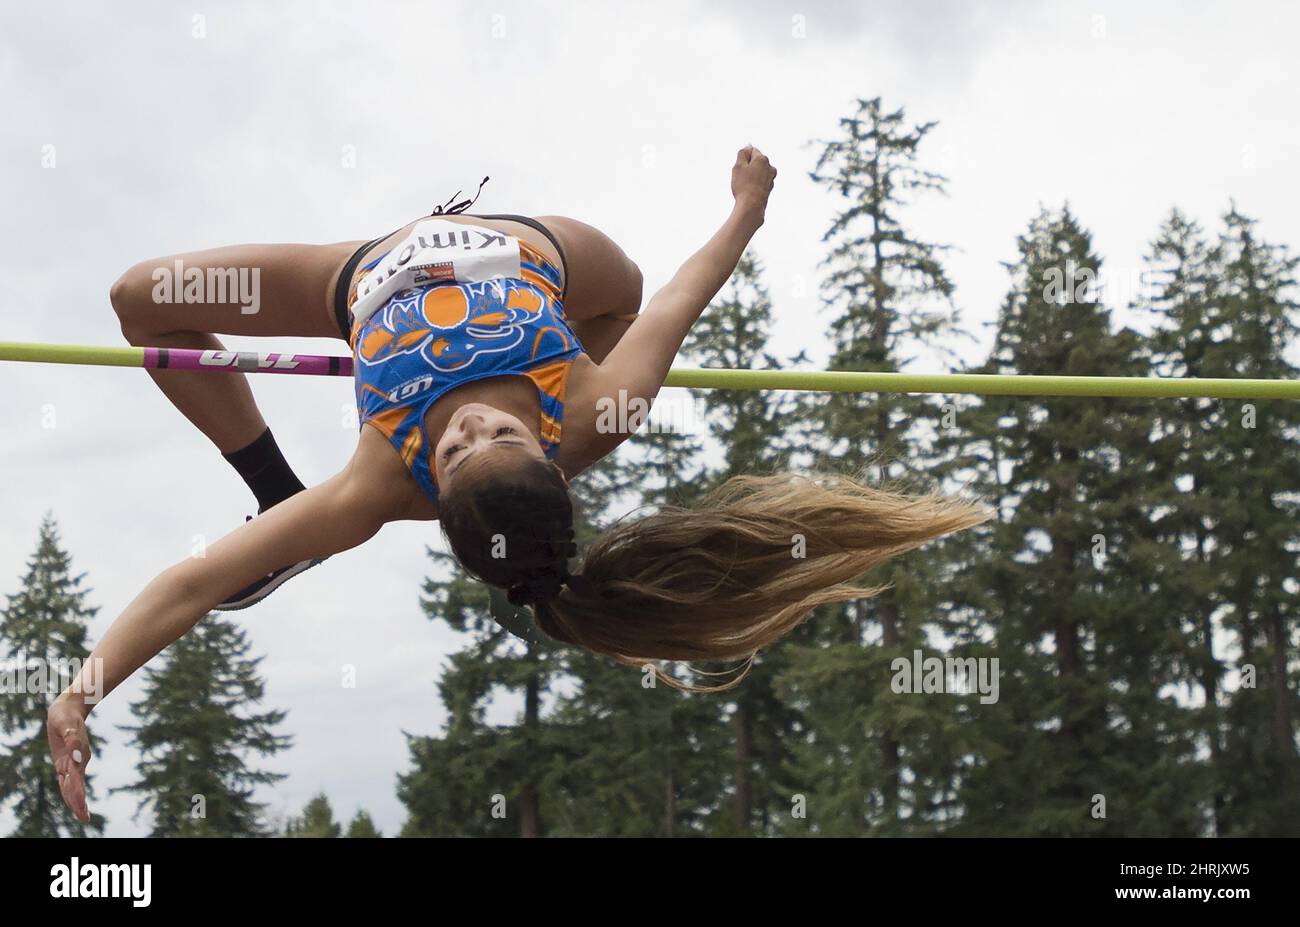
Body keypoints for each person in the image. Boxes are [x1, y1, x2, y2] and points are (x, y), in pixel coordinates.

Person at [46, 147, 987, 822]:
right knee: (620, 278)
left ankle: (275, 501)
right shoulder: (591, 406)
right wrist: (745, 209)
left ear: (435, 490)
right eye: (497, 433)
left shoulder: (379, 483)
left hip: (358, 279)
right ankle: (275, 487)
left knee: (141, 301)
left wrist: (82, 691)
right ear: (546, 448)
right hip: (543, 257)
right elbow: (672, 299)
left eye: (456, 449)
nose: (464, 425)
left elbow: (192, 583)